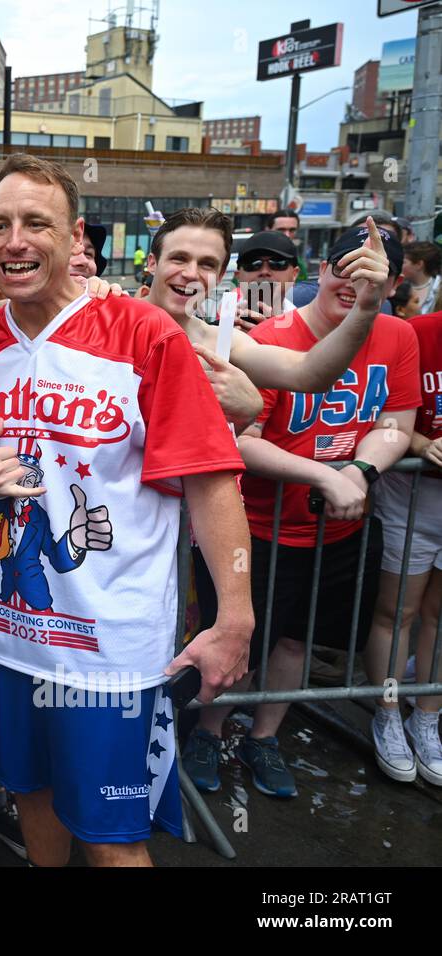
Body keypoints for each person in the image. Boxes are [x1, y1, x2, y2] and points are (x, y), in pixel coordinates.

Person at [0, 152, 254, 868]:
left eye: (36, 223)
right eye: (1, 224)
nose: (16, 240)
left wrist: (235, 618)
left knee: (113, 845)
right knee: (33, 801)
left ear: (76, 239)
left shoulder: (143, 334)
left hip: (105, 658)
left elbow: (212, 479)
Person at [186, 222, 412, 799]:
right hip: (259, 528)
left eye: (371, 274)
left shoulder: (397, 336)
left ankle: (264, 737)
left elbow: (396, 426)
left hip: (338, 531)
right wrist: (321, 475)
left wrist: (359, 473)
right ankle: (209, 733)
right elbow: (242, 435)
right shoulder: (271, 337)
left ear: (390, 285)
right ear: (321, 269)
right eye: (344, 266)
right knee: (238, 640)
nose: (352, 281)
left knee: (295, 644)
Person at [144, 208, 392, 431]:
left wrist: (365, 307)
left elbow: (308, 373)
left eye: (207, 264)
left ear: (220, 276)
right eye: (179, 258)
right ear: (152, 263)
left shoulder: (224, 343)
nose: (190, 274)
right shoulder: (108, 315)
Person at [362, 304, 442, 786]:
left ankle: (428, 716)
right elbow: (382, 413)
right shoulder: (419, 332)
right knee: (398, 612)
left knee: (438, 613)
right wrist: (419, 444)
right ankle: (388, 712)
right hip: (412, 493)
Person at [233, 231, 299, 333]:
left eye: (277, 263)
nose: (264, 271)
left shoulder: (304, 326)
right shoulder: (221, 324)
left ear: (294, 274)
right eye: (253, 264)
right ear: (238, 276)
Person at [400, 241, 440, 318]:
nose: (400, 265)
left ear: (419, 264)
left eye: (404, 262)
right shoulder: (399, 286)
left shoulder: (439, 287)